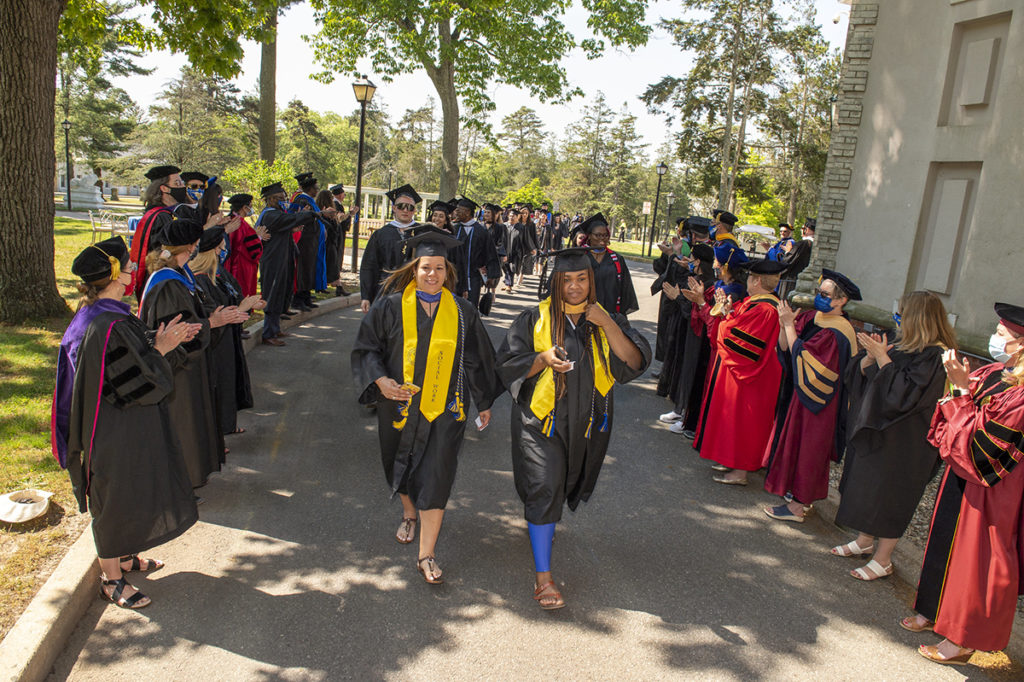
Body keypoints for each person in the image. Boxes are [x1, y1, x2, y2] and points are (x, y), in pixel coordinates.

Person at [497, 247, 651, 609]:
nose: (575, 286)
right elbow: (507, 365)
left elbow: (633, 362)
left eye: (582, 278)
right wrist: (542, 359)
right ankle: (544, 579)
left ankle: (543, 522)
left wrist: (607, 323)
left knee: (559, 487)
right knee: (545, 486)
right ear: (556, 282)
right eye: (567, 279)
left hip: (585, 423)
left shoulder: (606, 320)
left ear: (591, 281)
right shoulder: (534, 319)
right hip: (540, 421)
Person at [55, 237, 201, 609]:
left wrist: (159, 341)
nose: (134, 268)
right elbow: (131, 381)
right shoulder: (107, 323)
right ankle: (111, 579)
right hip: (111, 427)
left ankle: (123, 557)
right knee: (115, 495)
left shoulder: (101, 314)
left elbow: (120, 360)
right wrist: (162, 349)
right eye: (128, 264)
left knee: (131, 486)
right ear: (117, 274)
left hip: (116, 421)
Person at [351, 227, 501, 584]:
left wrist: (483, 400)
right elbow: (366, 349)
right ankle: (409, 513)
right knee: (399, 463)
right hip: (399, 406)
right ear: (414, 269)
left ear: (448, 271)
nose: (432, 274)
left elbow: (478, 358)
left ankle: (426, 554)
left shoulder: (463, 311)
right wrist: (380, 381)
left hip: (446, 409)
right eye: (425, 267)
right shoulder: (389, 306)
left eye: (439, 268)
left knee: (437, 474)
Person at [900, 302, 1024, 665]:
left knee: (977, 559)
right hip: (959, 472)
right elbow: (952, 424)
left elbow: (983, 450)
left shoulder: (1021, 396)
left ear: (1021, 343)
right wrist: (960, 392)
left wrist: (960, 392)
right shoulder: (991, 372)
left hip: (992, 486)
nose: (993, 338)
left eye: (1001, 334)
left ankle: (962, 640)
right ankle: (933, 611)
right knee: (944, 540)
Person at [832, 291, 955, 580]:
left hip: (908, 443)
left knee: (893, 496)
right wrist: (867, 360)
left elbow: (905, 394)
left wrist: (881, 358)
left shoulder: (936, 357)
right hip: (882, 434)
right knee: (871, 488)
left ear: (918, 319)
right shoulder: (903, 345)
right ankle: (864, 541)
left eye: (902, 315)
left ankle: (884, 559)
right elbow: (869, 380)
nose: (897, 320)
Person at [138, 219, 249, 489]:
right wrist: (212, 322)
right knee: (183, 424)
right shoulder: (167, 284)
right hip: (179, 372)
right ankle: (181, 483)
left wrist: (216, 315)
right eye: (196, 244)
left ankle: (187, 479)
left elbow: (194, 313)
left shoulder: (180, 275)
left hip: (191, 368)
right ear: (189, 248)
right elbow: (180, 331)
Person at [763, 268, 860, 522]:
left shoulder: (838, 332)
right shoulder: (812, 317)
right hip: (800, 393)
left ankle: (798, 507)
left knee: (810, 450)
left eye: (825, 294)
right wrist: (784, 327)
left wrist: (788, 326)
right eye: (819, 292)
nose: (819, 297)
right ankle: (795, 496)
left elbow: (808, 361)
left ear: (841, 300)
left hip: (821, 402)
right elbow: (787, 349)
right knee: (797, 444)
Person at [696, 260, 784, 485]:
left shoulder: (765, 309)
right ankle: (731, 461)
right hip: (744, 375)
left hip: (752, 378)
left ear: (757, 281)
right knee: (734, 419)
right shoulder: (755, 304)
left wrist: (725, 319)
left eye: (750, 278)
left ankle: (740, 472)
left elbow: (739, 340)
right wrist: (727, 310)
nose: (747, 281)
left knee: (745, 422)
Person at [191, 228, 263, 436]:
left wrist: (249, 304)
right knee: (219, 383)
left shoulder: (219, 274)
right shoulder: (200, 279)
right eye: (222, 248)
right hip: (216, 341)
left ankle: (227, 426)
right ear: (213, 250)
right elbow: (212, 311)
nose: (224, 252)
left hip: (228, 338)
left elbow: (235, 295)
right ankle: (217, 434)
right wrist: (241, 308)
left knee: (229, 380)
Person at [688, 241, 749, 448]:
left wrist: (701, 303)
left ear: (724, 266)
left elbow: (717, 323)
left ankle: (707, 439)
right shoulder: (722, 287)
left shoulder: (734, 293)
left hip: (720, 348)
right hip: (713, 344)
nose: (713, 264)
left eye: (716, 260)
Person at [659, 241, 717, 436]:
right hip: (687, 333)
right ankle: (679, 410)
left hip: (699, 339)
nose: (688, 260)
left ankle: (686, 418)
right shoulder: (697, 279)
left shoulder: (708, 285)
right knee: (683, 371)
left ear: (698, 261)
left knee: (693, 375)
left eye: (692, 258)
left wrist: (679, 298)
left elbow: (696, 311)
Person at [255, 183, 316, 346]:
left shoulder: (277, 213)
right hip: (272, 261)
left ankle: (275, 328)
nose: (284, 201)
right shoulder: (270, 214)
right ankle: (268, 333)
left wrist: (293, 229)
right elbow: (289, 219)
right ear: (270, 199)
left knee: (280, 294)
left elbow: (285, 226)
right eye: (280, 198)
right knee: (272, 295)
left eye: (284, 198)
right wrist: (309, 214)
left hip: (282, 259)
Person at [360, 184, 422, 312]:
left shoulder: (422, 232)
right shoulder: (381, 234)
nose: (405, 210)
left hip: (415, 290)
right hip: (386, 289)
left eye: (410, 207)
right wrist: (366, 296)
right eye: (401, 206)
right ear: (394, 208)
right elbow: (369, 265)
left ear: (414, 211)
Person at [652, 217, 693, 388]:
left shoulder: (684, 246)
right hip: (674, 293)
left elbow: (673, 269)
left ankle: (667, 371)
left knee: (670, 333)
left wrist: (669, 254)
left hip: (675, 294)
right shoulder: (686, 244)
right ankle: (666, 369)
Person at [290, 172, 336, 306]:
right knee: (304, 268)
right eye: (315, 188)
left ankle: (306, 296)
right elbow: (303, 217)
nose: (317, 191)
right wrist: (323, 213)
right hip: (305, 241)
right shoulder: (301, 200)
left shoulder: (309, 200)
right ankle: (299, 298)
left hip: (313, 241)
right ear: (309, 189)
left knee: (310, 268)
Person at [581, 213, 639, 316]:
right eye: (598, 235)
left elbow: (625, 288)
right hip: (584, 313)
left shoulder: (617, 259)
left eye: (605, 235)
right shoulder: (580, 257)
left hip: (611, 313)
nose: (602, 238)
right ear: (589, 236)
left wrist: (619, 317)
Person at [452, 197, 501, 308]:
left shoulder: (481, 231)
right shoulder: (454, 229)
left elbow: (490, 252)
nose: (456, 213)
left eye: (459, 210)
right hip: (455, 276)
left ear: (467, 212)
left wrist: (491, 275)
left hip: (473, 276)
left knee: (471, 306)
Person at [224, 193, 265, 298]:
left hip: (228, 265)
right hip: (243, 266)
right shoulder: (243, 225)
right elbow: (255, 253)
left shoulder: (228, 220)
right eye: (250, 206)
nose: (251, 209)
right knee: (243, 294)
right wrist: (258, 237)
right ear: (244, 208)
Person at [329, 184, 354, 296]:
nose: (344, 196)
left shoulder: (336, 204)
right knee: (337, 255)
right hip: (337, 234)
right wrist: (351, 214)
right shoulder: (336, 205)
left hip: (338, 233)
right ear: (339, 194)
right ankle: (336, 281)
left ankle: (336, 281)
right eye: (343, 194)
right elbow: (340, 219)